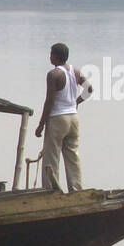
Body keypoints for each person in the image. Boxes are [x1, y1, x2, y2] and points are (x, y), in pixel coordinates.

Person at [35, 42, 92, 191]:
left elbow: (49, 101)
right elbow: (89, 89)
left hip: (58, 119)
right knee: (73, 156)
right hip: (73, 117)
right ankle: (77, 190)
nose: (49, 57)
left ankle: (51, 191)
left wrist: (41, 124)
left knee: (51, 157)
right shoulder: (76, 71)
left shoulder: (53, 75)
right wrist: (76, 102)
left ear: (55, 56)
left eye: (51, 54)